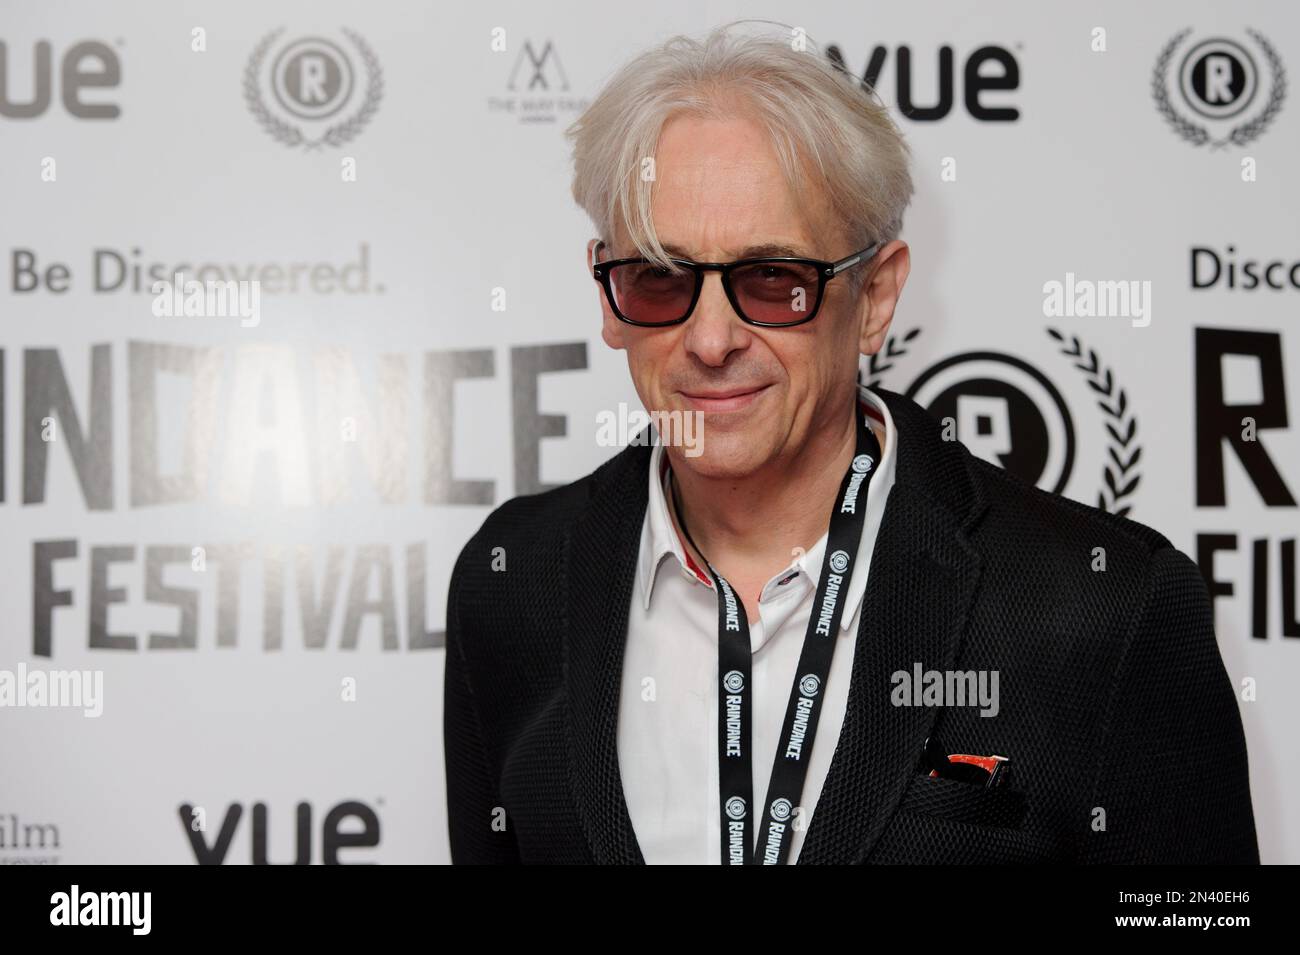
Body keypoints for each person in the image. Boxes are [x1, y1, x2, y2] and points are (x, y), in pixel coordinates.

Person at [443, 23, 1258, 864]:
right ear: (608, 297)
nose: (711, 340)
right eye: (659, 277)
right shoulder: (512, 580)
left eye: (773, 280)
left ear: (875, 298)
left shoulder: (1104, 604)